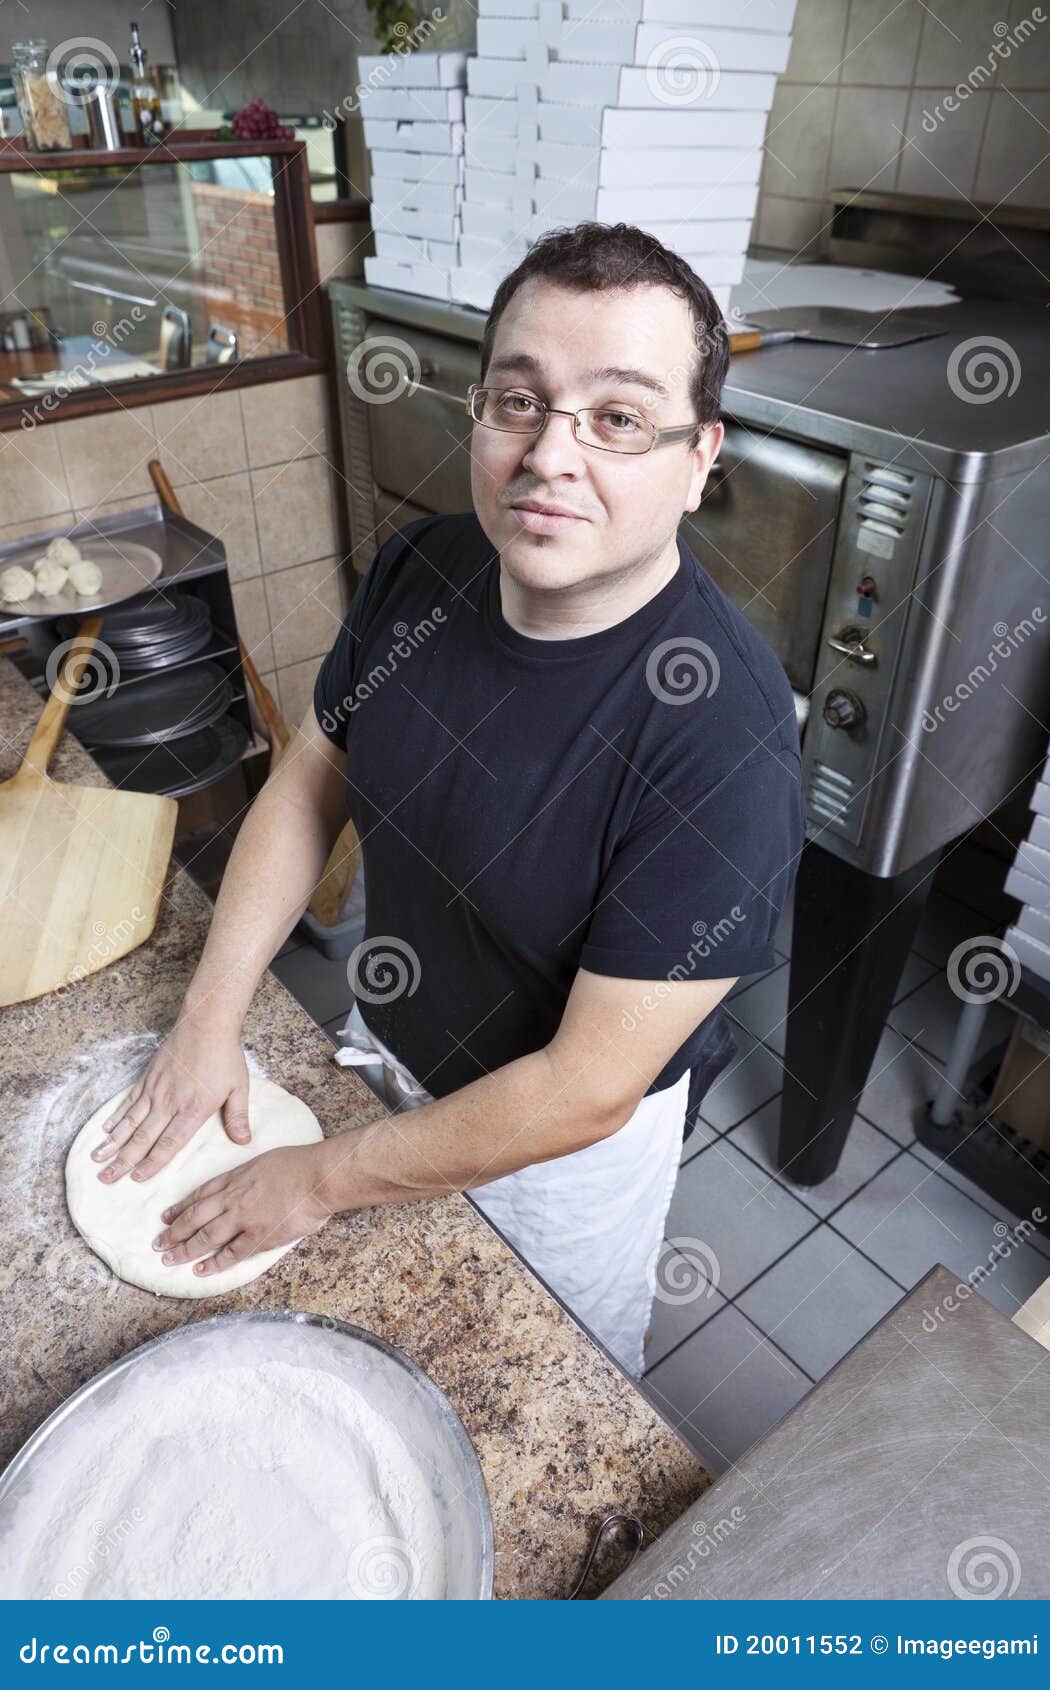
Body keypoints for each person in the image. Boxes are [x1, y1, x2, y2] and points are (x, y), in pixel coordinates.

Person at [90, 223, 805, 1377]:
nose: (549, 455)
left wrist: (316, 1180)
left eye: (617, 417)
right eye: (517, 401)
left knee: (521, 1385)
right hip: (392, 1038)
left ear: (698, 455)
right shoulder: (426, 569)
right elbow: (311, 781)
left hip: (552, 1158)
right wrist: (209, 1020)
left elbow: (583, 1088)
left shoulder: (722, 742)